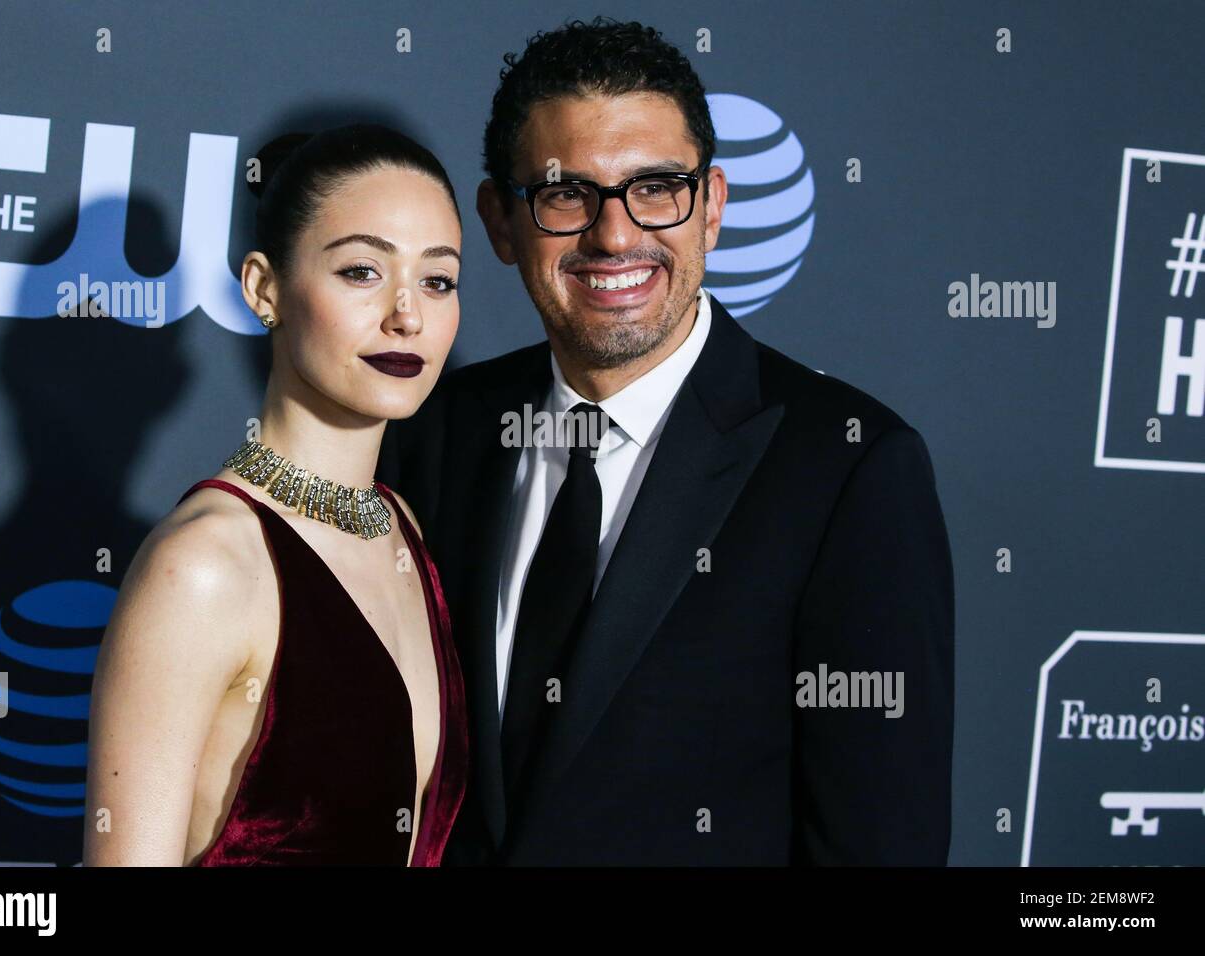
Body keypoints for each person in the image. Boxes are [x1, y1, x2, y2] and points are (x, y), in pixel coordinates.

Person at [377, 17, 955, 865]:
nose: (615, 236)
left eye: (656, 187)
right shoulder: (435, 430)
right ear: (501, 222)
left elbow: (879, 844)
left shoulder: (849, 469)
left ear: (712, 206)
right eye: (565, 193)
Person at [84, 124, 467, 866]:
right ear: (265, 288)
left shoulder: (401, 530)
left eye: (438, 280)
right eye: (362, 271)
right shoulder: (203, 567)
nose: (407, 315)